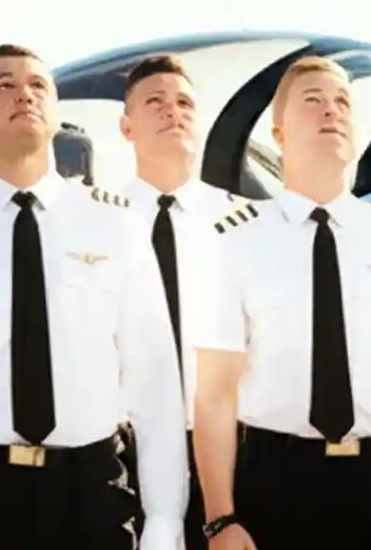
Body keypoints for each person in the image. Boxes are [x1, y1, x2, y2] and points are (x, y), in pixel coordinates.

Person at [0, 43, 188, 550]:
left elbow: (155, 385)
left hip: (91, 489)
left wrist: (163, 519)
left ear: (56, 115)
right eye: (4, 85)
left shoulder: (117, 227)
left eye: (38, 86)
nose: (24, 94)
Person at [192, 56, 371, 550]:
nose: (332, 110)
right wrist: (220, 519)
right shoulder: (233, 243)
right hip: (277, 484)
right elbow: (215, 393)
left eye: (342, 102)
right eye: (313, 100)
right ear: (279, 134)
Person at [117, 53, 252, 550]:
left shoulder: (246, 225)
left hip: (231, 452)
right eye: (155, 102)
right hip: (124, 453)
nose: (172, 111)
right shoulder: (98, 224)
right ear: (126, 127)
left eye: (184, 103)